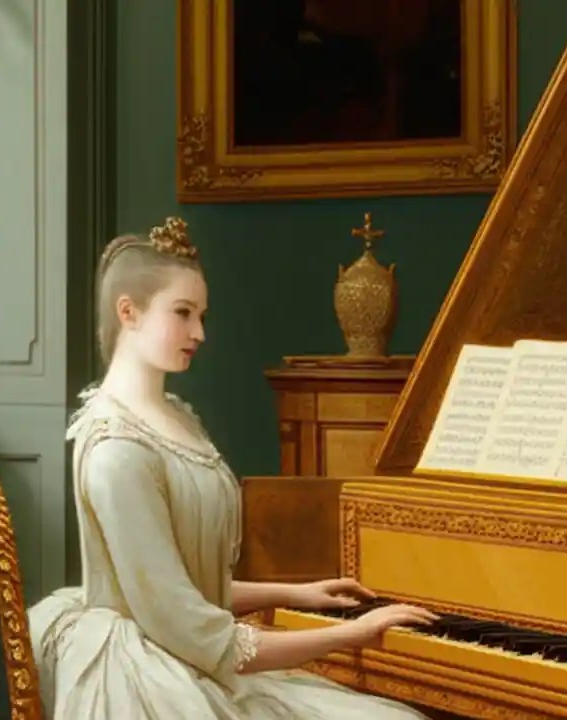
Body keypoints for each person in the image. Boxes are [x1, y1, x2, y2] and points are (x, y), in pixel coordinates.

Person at [28, 217, 437, 718]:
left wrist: (297, 592)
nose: (199, 332)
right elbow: (189, 625)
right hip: (150, 678)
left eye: (202, 315)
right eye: (183, 313)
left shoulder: (174, 416)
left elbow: (185, 586)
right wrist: (353, 633)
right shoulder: (118, 451)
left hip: (186, 649)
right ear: (128, 312)